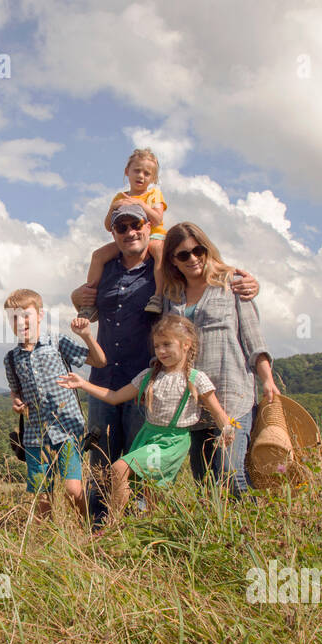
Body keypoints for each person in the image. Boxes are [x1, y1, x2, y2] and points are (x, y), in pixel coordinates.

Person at [70, 214, 260, 527]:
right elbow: (85, 302)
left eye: (136, 225)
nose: (129, 232)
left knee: (147, 472)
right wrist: (76, 298)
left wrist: (248, 281)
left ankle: (141, 529)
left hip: (151, 388)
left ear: (149, 229)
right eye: (121, 227)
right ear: (113, 232)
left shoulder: (162, 279)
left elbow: (200, 277)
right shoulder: (112, 270)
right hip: (112, 381)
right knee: (103, 462)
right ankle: (102, 533)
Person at [59, 315, 229, 532]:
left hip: (171, 441)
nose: (161, 351)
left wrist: (227, 429)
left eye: (167, 344)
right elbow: (114, 396)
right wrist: (83, 384)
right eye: (157, 346)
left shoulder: (196, 379)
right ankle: (145, 531)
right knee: (148, 493)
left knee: (119, 468)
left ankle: (114, 526)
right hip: (147, 436)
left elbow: (217, 410)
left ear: (186, 345)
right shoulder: (149, 376)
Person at [161, 222, 278, 496]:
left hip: (232, 395)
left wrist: (267, 380)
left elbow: (254, 339)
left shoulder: (232, 286)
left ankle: (254, 532)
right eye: (182, 255)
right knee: (205, 483)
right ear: (173, 261)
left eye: (197, 250)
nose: (192, 258)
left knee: (230, 473)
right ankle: (220, 536)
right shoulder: (172, 298)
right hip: (193, 403)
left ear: (207, 249)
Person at [3, 288, 106, 521]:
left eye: (26, 315)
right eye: (14, 318)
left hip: (67, 431)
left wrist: (87, 335)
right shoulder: (11, 358)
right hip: (34, 435)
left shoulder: (58, 343)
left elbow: (99, 361)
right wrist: (16, 402)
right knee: (42, 496)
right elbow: (15, 390)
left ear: (39, 315)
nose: (21, 322)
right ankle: (48, 539)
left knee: (72, 489)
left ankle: (88, 527)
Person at [79, 148, 169, 322]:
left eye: (147, 173)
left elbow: (157, 220)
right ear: (127, 172)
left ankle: (158, 296)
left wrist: (140, 204)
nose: (141, 176)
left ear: (153, 179)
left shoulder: (154, 194)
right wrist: (113, 208)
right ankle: (89, 298)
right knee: (98, 255)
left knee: (159, 253)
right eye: (137, 170)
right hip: (126, 241)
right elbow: (108, 226)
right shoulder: (119, 196)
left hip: (154, 236)